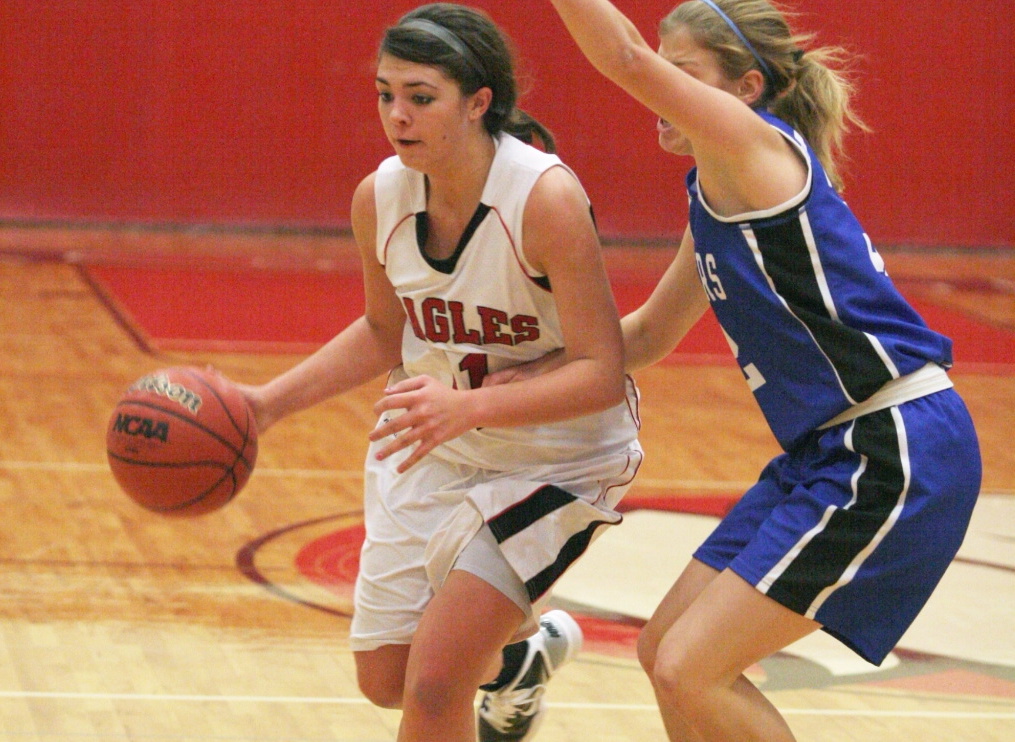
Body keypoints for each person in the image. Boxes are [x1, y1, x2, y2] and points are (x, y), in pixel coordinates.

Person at [493, 1, 980, 740]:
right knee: (665, 652)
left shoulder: (758, 155)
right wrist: (518, 370)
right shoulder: (716, 197)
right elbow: (650, 334)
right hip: (826, 452)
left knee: (695, 666)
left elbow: (623, 58)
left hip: (891, 443)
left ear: (745, 88)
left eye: (678, 70)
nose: (657, 81)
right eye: (661, 61)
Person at [235, 4, 643, 741]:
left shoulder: (542, 200)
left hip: (555, 459)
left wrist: (468, 408)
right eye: (385, 93)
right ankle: (522, 663)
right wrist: (265, 405)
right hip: (437, 445)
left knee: (433, 684)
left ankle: (486, 661)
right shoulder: (380, 196)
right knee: (386, 679)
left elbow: (600, 372)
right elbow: (382, 331)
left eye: (420, 97)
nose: (396, 115)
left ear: (478, 102)